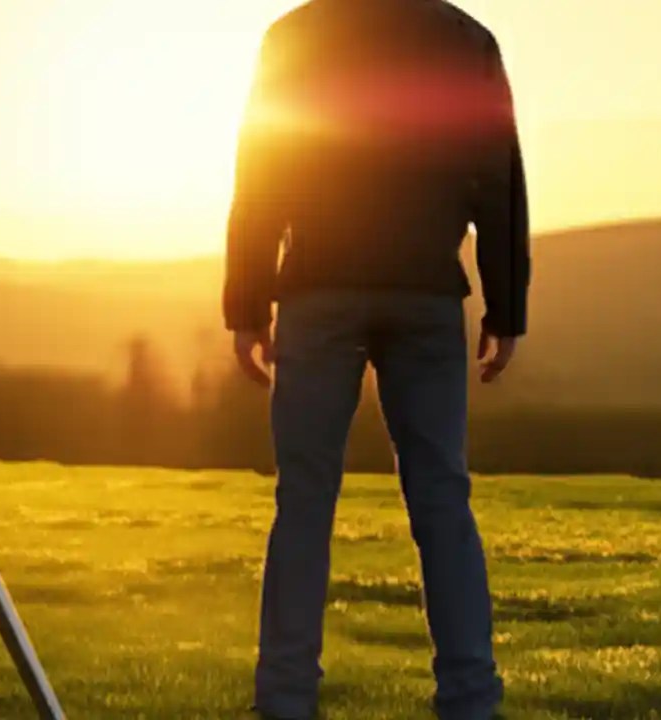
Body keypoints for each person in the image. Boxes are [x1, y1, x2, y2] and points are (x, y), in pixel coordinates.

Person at [222, 0, 530, 718]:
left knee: (303, 502)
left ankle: (286, 699)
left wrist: (247, 306)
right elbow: (500, 179)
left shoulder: (294, 36)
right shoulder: (465, 40)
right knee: (442, 501)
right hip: (424, 292)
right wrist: (506, 308)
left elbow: (260, 174)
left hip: (318, 291)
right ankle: (470, 699)